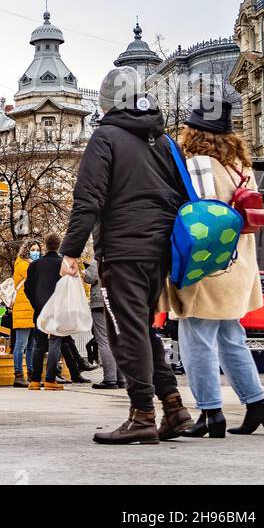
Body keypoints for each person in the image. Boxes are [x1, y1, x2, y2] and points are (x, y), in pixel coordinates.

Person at [60, 66, 192, 444]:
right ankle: (173, 406)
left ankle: (142, 415)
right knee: (142, 329)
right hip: (160, 251)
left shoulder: (106, 138)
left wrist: (70, 252)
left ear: (107, 102)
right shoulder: (164, 141)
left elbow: (88, 199)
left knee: (124, 332)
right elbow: (181, 196)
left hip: (122, 250)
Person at [166, 95, 264, 439]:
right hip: (240, 264)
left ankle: (210, 413)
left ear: (196, 132)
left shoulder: (200, 162)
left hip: (208, 265)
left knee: (195, 339)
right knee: (232, 338)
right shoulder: (240, 166)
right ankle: (258, 404)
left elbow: (198, 213)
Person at [25, 232, 66, 390]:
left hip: (40, 309)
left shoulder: (34, 265)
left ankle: (35, 380)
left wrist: (36, 303)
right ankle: (50, 379)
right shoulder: (62, 264)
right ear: (59, 245)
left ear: (45, 245)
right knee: (55, 341)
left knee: (38, 344)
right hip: (57, 309)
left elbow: (28, 288)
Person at [85, 258, 123, 390]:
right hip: (119, 301)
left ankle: (110, 379)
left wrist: (84, 271)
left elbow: (91, 277)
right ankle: (121, 378)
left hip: (101, 301)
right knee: (117, 340)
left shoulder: (101, 254)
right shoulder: (122, 253)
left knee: (104, 340)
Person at [11, 249, 35, 386]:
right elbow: (37, 276)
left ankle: (31, 374)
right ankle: (18, 375)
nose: (35, 252)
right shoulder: (22, 264)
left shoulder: (31, 264)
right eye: (32, 250)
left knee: (31, 345)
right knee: (21, 344)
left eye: (38, 250)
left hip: (31, 309)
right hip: (23, 310)